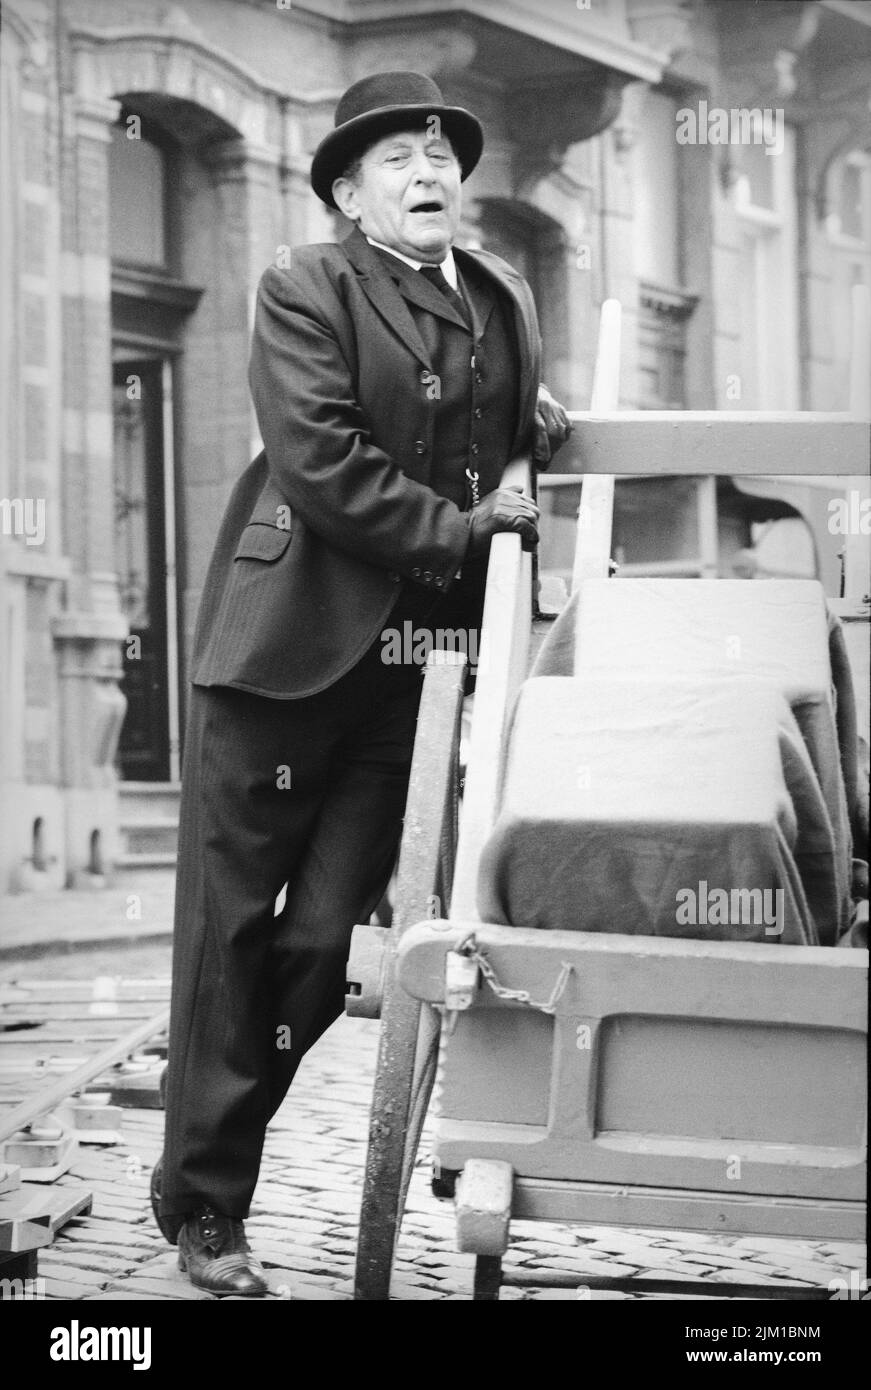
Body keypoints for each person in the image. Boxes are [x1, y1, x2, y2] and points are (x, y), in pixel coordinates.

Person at [154, 69, 572, 1295]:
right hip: (281, 660)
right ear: (350, 192)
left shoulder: (499, 297)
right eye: (396, 159)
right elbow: (322, 459)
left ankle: (193, 1169)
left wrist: (535, 420)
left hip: (412, 680)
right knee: (232, 941)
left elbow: (498, 427)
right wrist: (470, 520)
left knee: (327, 950)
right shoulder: (305, 284)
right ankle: (208, 1207)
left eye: (441, 152)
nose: (428, 170)